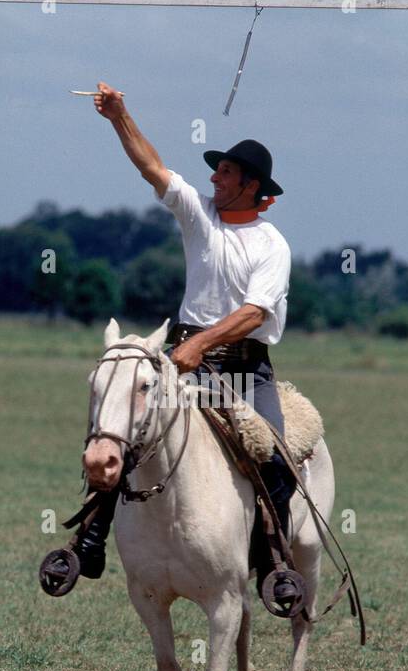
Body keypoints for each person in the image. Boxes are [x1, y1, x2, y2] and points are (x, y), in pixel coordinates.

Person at [39, 81, 303, 611]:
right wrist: (119, 115)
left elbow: (255, 313)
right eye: (217, 170)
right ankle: (89, 540)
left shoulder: (272, 246)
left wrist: (200, 344)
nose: (214, 177)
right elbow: (153, 167)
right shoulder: (198, 213)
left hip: (244, 374)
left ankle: (273, 563)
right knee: (124, 435)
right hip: (182, 365)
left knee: (274, 461)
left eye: (226, 172)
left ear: (252, 186)